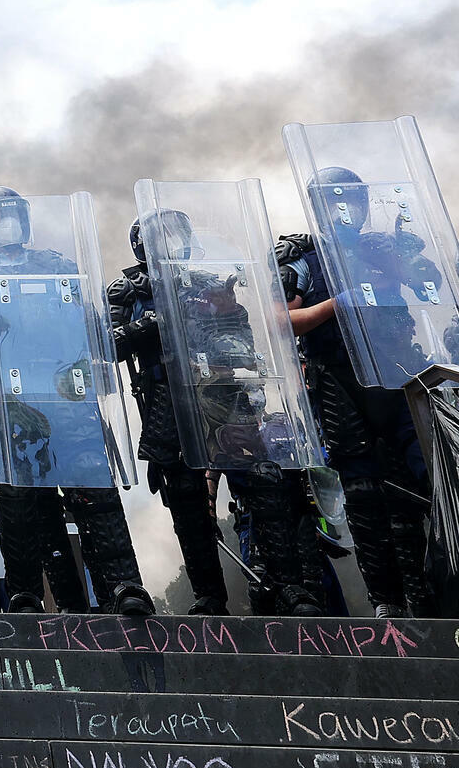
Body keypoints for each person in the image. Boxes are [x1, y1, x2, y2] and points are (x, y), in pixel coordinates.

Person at [0, 187, 148, 616]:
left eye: (14, 214)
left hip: (67, 391)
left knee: (93, 485)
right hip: (12, 399)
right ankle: (26, 594)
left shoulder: (55, 264)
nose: (8, 223)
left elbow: (91, 324)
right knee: (23, 498)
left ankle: (122, 586)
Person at [110, 209, 322, 617]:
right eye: (163, 235)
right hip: (167, 404)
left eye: (178, 233)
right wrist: (158, 320)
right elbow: (109, 343)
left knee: (264, 483)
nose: (173, 242)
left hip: (225, 395)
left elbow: (242, 334)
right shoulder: (128, 292)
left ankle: (289, 587)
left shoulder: (207, 282)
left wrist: (223, 320)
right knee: (188, 503)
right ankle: (209, 596)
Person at [281, 215, 432, 617]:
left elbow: (429, 286)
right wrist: (339, 303)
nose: (347, 209)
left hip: (396, 372)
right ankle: (386, 600)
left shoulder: (380, 246)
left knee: (422, 479)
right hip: (339, 381)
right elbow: (283, 320)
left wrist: (405, 260)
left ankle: (431, 594)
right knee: (362, 493)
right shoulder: (302, 258)